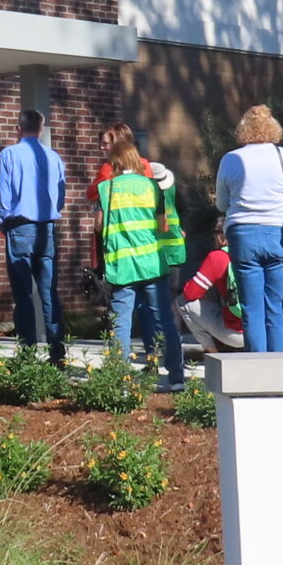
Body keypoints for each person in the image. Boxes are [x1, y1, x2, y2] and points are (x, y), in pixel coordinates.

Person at [96, 124, 185, 390]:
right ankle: (176, 377)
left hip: (122, 266)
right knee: (164, 320)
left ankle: (120, 380)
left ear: (115, 162)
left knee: (121, 323)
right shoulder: (153, 187)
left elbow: (98, 226)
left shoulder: (107, 189)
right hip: (151, 264)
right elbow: (162, 225)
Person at [215, 104, 283, 352]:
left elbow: (221, 203)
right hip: (279, 232)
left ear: (243, 130)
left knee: (251, 310)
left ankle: (256, 368)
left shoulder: (231, 159)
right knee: (277, 309)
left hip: (243, 234)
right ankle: (280, 370)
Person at [0, 110, 66, 362]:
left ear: (18, 128)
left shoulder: (8, 155)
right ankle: (57, 353)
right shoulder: (54, 157)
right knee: (49, 293)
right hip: (46, 228)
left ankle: (27, 354)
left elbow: (2, 200)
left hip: (19, 227)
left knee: (23, 295)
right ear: (41, 129)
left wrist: (4, 225)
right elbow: (60, 197)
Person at [176, 223, 243, 351]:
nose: (213, 236)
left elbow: (190, 294)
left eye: (216, 232)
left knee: (182, 301)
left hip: (236, 333)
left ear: (224, 237)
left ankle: (212, 353)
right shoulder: (256, 255)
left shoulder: (218, 257)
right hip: (264, 331)